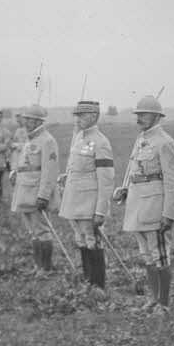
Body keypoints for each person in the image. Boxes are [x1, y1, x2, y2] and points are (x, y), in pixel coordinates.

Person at [113, 96, 174, 315]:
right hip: (137, 207)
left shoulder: (165, 142)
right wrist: (124, 188)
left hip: (156, 208)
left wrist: (169, 213)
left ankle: (163, 305)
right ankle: (153, 301)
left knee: (160, 256)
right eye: (137, 114)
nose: (139, 118)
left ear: (156, 116)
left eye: (143, 114)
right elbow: (133, 170)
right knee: (147, 257)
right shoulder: (141, 140)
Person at [58, 100, 115, 289]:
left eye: (81, 115)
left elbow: (106, 180)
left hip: (89, 203)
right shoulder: (78, 139)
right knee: (80, 239)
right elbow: (75, 169)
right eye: (77, 115)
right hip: (73, 200)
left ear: (94, 116)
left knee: (93, 241)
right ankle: (87, 281)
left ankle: (98, 286)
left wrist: (101, 211)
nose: (78, 119)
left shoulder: (101, 142)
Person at [9, 104, 59, 273]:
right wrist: (14, 173)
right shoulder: (29, 139)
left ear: (39, 121)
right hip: (24, 191)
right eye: (26, 118)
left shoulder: (47, 140)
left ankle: (46, 268)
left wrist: (44, 195)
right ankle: (38, 267)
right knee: (33, 232)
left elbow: (50, 171)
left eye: (30, 119)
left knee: (43, 232)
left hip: (37, 193)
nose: (26, 122)